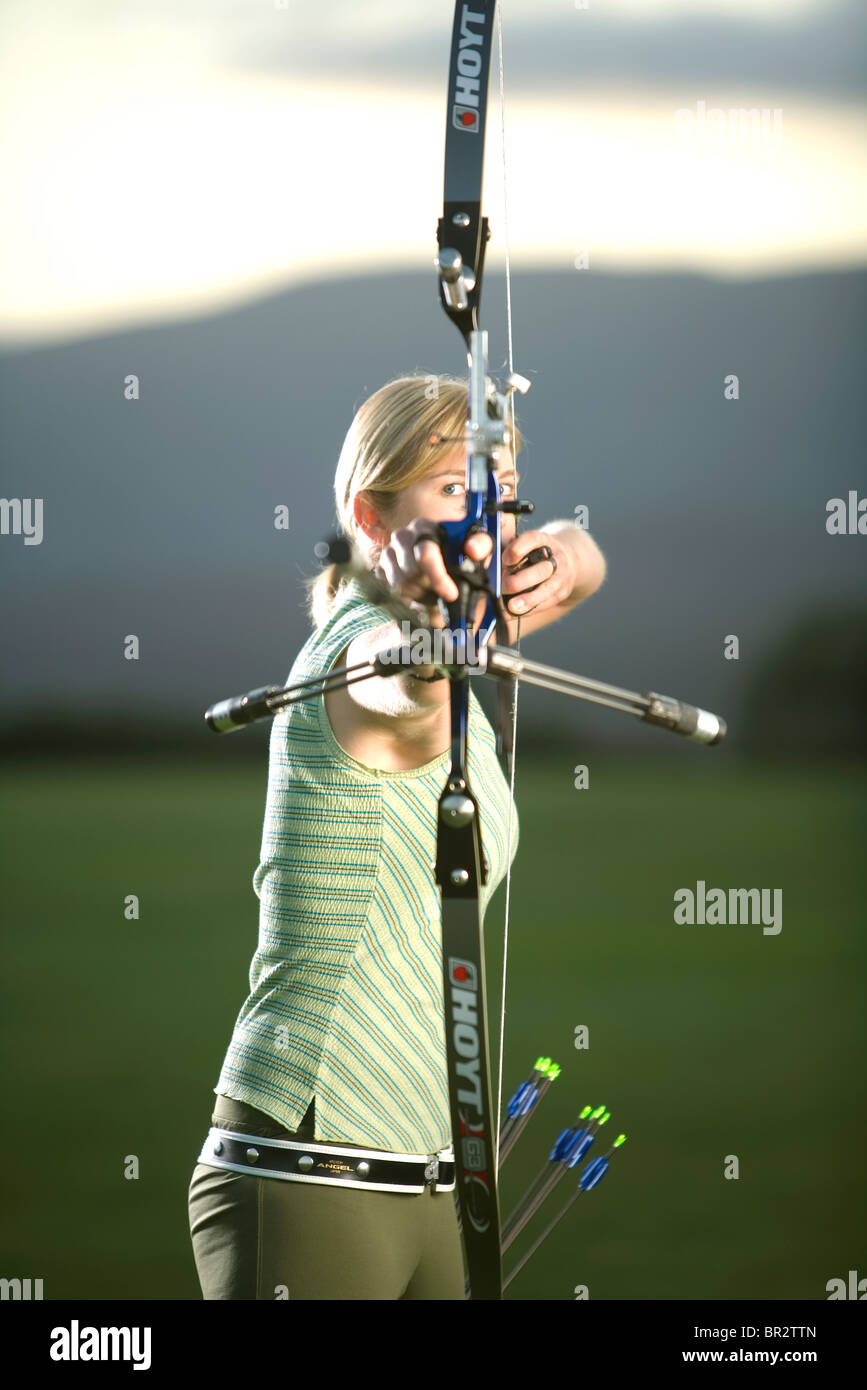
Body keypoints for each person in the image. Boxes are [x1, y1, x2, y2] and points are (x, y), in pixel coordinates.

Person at [187, 373, 606, 1299]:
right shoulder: (356, 652)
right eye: (455, 490)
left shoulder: (469, 633)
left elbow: (581, 553)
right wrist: (426, 638)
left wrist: (549, 562)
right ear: (370, 521)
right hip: (308, 1173)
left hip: (438, 1178)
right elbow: (396, 686)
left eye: (501, 496)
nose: (487, 519)